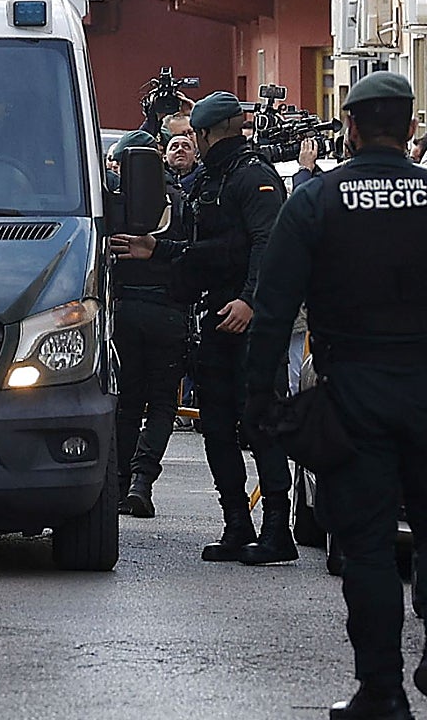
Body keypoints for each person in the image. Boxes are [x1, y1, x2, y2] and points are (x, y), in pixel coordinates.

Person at [245, 72, 427, 720]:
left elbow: (273, 311)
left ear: (349, 127)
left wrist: (258, 401)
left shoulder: (319, 201)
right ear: (408, 128)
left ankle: (383, 693)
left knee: (370, 549)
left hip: (355, 399)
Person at [111, 90, 297, 565]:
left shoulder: (253, 177)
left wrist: (251, 302)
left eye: (195, 133)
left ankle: (278, 530)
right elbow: (207, 252)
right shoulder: (211, 180)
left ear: (210, 134)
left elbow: (269, 244)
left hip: (250, 324)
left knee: (260, 425)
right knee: (215, 426)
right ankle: (237, 523)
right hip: (215, 317)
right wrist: (159, 251)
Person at [109, 130, 188, 518]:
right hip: (168, 312)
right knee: (161, 405)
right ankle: (142, 483)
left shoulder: (113, 201)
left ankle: (122, 484)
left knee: (126, 403)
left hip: (125, 312)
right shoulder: (178, 198)